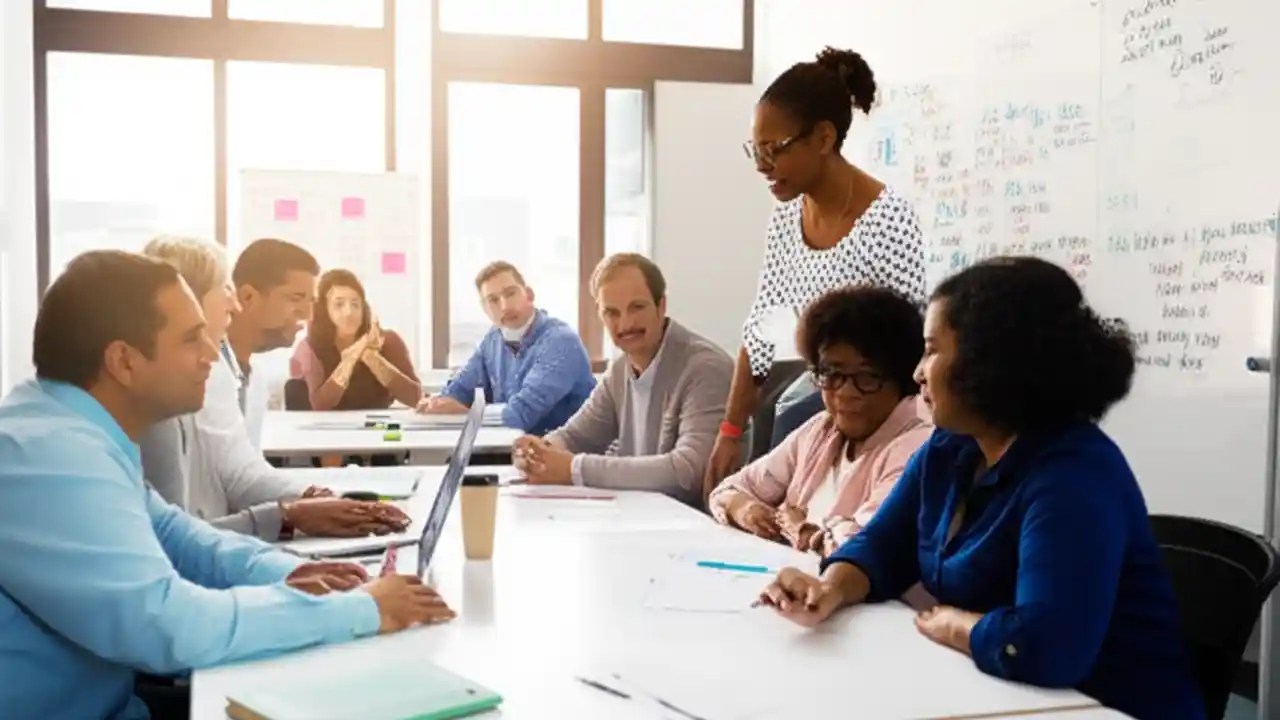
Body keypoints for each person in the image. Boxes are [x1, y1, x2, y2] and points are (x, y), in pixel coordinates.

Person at [0, 251, 453, 720]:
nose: (210, 355)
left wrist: (283, 573)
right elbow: (168, 624)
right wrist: (360, 611)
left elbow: (175, 536)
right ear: (124, 362)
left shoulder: (71, 430)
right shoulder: (49, 456)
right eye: (192, 339)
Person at [759, 257, 1203, 720]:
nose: (917, 373)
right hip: (999, 696)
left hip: (1100, 707)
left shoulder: (1074, 476)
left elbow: (1048, 647)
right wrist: (829, 587)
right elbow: (884, 546)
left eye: (931, 351)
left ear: (987, 363)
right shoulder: (951, 447)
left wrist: (959, 627)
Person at [704, 46, 926, 503]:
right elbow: (763, 327)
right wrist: (730, 429)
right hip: (817, 401)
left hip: (876, 420)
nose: (762, 165)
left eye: (774, 150)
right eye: (756, 150)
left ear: (824, 138)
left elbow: (909, 353)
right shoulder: (787, 219)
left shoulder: (888, 220)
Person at [139, 238, 408, 541]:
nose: (232, 303)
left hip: (226, 544)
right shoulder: (169, 399)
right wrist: (292, 515)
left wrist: (317, 499)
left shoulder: (238, 377)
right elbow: (176, 540)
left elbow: (240, 477)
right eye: (225, 288)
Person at [709, 286, 931, 557]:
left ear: (902, 378)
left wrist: (802, 530)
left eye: (868, 377)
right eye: (832, 374)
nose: (846, 392)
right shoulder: (821, 430)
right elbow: (731, 488)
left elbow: (869, 549)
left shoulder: (918, 444)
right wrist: (745, 509)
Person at [513, 254, 732, 507]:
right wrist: (539, 451)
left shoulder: (705, 368)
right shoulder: (619, 371)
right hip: (640, 520)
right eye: (612, 313)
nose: (626, 323)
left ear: (661, 306)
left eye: (637, 307)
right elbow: (577, 435)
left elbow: (688, 472)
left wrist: (575, 468)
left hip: (696, 530)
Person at [418, 261, 594, 435]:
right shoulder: (493, 340)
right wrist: (438, 404)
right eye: (493, 300)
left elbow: (522, 414)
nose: (504, 306)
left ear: (529, 295)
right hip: (509, 449)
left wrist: (466, 414)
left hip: (561, 454)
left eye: (511, 294)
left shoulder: (561, 342)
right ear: (485, 308)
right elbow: (460, 390)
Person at [223, 237, 319, 448]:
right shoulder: (208, 375)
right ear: (248, 297)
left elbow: (249, 468)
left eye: (311, 301)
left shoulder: (255, 378)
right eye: (296, 298)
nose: (307, 313)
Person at [291, 268, 422, 411]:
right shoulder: (309, 348)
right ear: (324, 310)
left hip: (377, 426)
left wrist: (371, 357)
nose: (349, 313)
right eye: (339, 305)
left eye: (355, 304)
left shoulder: (388, 340)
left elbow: (417, 399)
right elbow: (320, 405)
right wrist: (350, 359)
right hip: (329, 430)